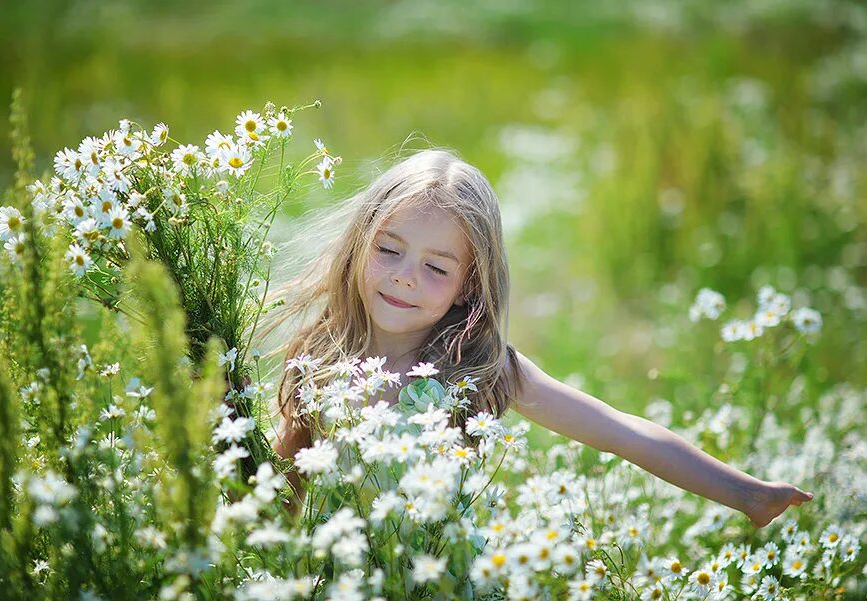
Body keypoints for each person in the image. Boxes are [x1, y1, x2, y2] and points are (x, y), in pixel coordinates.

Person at [250, 148, 814, 527]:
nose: (404, 276)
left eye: (437, 267)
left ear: (470, 286)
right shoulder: (319, 355)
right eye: (389, 249)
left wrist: (746, 494)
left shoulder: (478, 367)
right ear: (359, 245)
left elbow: (622, 433)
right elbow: (282, 485)